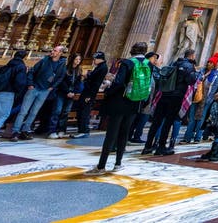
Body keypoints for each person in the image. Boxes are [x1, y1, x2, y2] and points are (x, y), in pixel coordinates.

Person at [85, 42, 151, 175]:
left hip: (121, 101)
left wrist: (108, 90)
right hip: (135, 102)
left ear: (132, 50)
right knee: (124, 133)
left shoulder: (127, 63)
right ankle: (118, 164)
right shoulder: (148, 64)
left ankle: (101, 166)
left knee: (111, 134)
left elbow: (119, 82)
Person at [143, 49, 197, 155]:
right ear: (192, 56)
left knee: (156, 121)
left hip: (165, 94)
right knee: (168, 122)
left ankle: (148, 146)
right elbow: (191, 81)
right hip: (176, 96)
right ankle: (161, 147)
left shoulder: (175, 62)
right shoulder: (189, 66)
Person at [11, 45, 65, 140]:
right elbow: (32, 71)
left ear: (60, 53)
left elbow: (60, 77)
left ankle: (25, 130)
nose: (53, 52)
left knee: (34, 112)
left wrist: (52, 87)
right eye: (53, 50)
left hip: (45, 90)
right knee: (23, 111)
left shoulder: (62, 64)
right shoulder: (44, 60)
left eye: (55, 51)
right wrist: (30, 84)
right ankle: (15, 131)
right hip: (34, 87)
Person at [48, 52, 84, 138]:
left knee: (66, 112)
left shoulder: (79, 70)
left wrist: (74, 92)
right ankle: (52, 130)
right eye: (76, 59)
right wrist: (67, 91)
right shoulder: (65, 68)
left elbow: (78, 83)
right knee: (57, 110)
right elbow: (62, 81)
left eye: (79, 60)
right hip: (62, 92)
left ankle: (61, 129)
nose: (77, 61)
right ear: (72, 59)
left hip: (71, 94)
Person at [73, 51, 108, 138]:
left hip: (89, 93)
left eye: (95, 59)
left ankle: (83, 131)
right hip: (87, 91)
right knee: (81, 110)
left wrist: (90, 96)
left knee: (84, 112)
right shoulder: (99, 67)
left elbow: (95, 83)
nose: (94, 60)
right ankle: (81, 130)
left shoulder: (102, 68)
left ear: (100, 59)